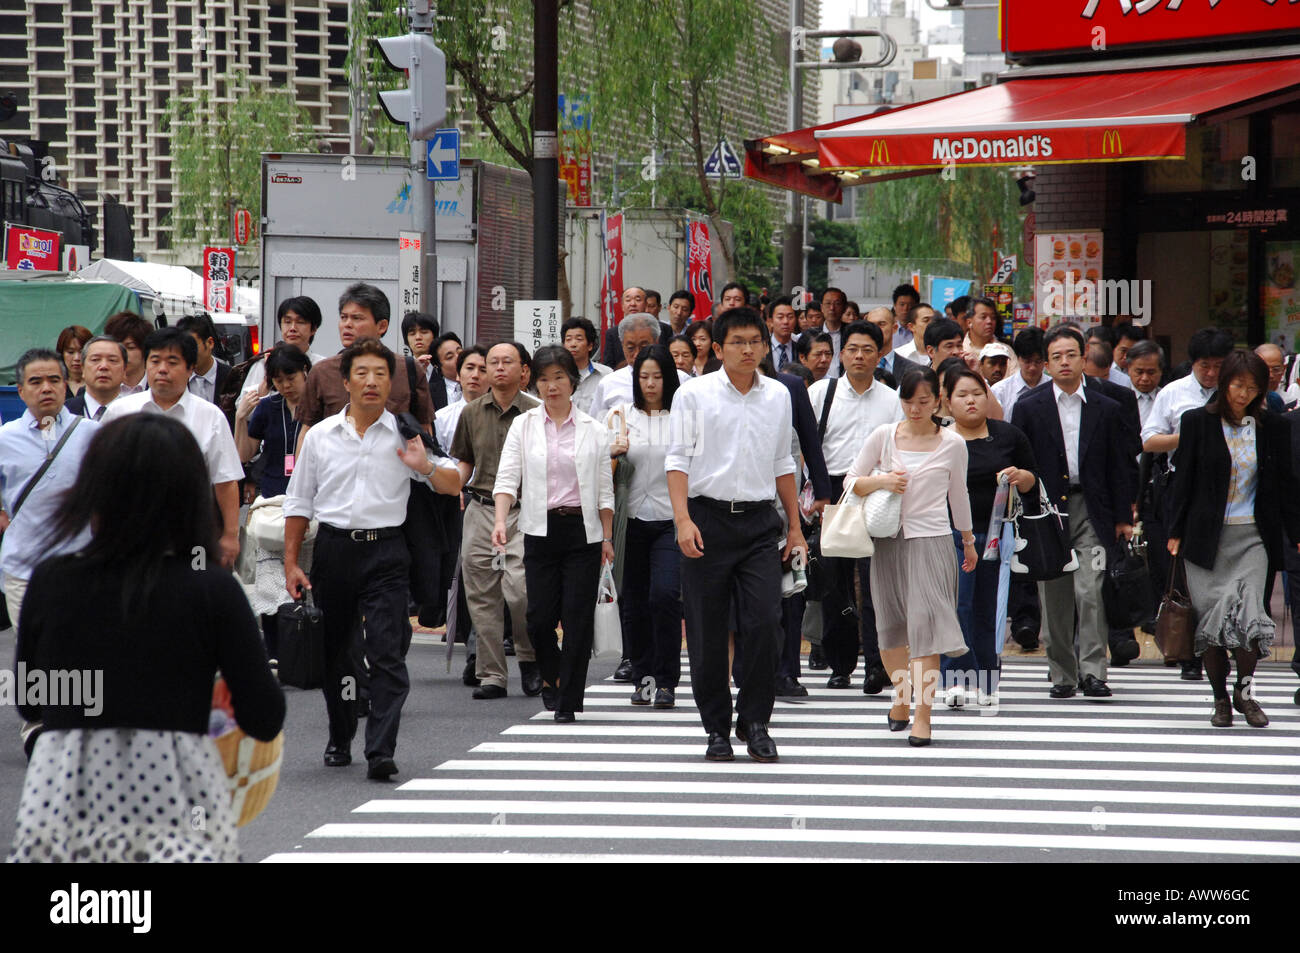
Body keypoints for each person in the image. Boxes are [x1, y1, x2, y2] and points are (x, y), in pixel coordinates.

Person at [8, 414, 285, 862]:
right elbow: (263, 715)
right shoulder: (212, 589)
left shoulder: (53, 580)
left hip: (64, 794)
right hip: (178, 791)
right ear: (189, 496)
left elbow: (31, 703)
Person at [284, 338, 460, 779]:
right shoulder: (322, 436)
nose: (371, 382)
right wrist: (291, 563)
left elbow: (453, 484)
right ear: (345, 381)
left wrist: (424, 466)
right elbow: (299, 502)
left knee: (387, 654)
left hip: (387, 552)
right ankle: (340, 736)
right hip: (334, 551)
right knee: (337, 655)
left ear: (391, 384)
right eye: (361, 373)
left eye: (381, 374)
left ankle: (380, 749)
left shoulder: (406, 436)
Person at [666, 307, 806, 763]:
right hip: (706, 521)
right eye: (737, 342)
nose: (747, 350)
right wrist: (683, 520)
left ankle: (756, 720)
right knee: (706, 633)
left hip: (759, 523)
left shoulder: (779, 396)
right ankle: (717, 729)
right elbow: (677, 460)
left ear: (765, 347)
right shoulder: (695, 395)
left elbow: (784, 463)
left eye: (755, 342)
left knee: (766, 622)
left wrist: (796, 528)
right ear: (718, 348)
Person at [1167, 350, 1300, 728]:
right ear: (1224, 382)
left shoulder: (1273, 426)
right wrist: (1174, 531)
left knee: (1250, 620)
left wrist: (1296, 532)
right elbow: (1184, 480)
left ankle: (1245, 691)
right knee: (1212, 625)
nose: (1243, 394)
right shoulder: (1196, 422)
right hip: (1205, 539)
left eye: (1253, 388)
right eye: (1238, 385)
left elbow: (1286, 484)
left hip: (1254, 536)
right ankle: (1220, 699)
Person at [846, 367, 977, 746]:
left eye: (923, 401)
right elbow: (851, 481)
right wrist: (883, 481)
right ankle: (901, 697)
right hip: (887, 540)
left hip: (932, 541)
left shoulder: (953, 444)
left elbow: (959, 496)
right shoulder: (883, 436)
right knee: (889, 629)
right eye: (907, 401)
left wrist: (967, 540)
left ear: (938, 400)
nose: (915, 409)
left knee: (926, 629)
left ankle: (924, 716)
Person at [1012, 325, 1136, 700]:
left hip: (1093, 509)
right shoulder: (1029, 407)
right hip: (1047, 512)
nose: (1063, 362)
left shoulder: (1107, 407)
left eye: (1071, 355)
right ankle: (1062, 674)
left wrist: (1124, 518)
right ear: (1046, 365)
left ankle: (1094, 672)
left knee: (1090, 589)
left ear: (1085, 358)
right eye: (1056, 357)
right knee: (1054, 596)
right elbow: (1020, 461)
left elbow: (1122, 465)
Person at [493, 346, 614, 722]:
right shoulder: (524, 425)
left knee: (577, 618)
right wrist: (500, 520)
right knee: (539, 618)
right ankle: (551, 675)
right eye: (544, 379)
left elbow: (605, 490)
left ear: (573, 382)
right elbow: (507, 476)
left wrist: (607, 538)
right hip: (540, 529)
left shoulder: (594, 430)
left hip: (583, 531)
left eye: (559, 377)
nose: (551, 386)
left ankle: (568, 699)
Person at [0, 348, 100, 758]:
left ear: (67, 384)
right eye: (36, 382)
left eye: (54, 380)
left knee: (81, 643)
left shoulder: (89, 433)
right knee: (37, 646)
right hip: (24, 568)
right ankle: (39, 722)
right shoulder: (5, 439)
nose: (46, 389)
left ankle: (79, 721)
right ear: (20, 390)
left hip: (82, 565)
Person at [807, 321, 902, 694]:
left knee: (877, 582)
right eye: (852, 349)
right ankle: (841, 664)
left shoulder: (892, 399)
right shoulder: (821, 393)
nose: (860, 356)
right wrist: (815, 494)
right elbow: (806, 446)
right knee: (836, 583)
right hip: (833, 491)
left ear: (879, 355)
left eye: (867, 349)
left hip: (877, 493)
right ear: (841, 353)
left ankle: (877, 666)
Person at [102, 327, 245, 569]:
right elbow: (101, 477)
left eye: (172, 362)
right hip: (132, 533)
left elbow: (226, 481)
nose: (162, 369)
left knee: (193, 595)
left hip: (194, 535)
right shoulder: (120, 412)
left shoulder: (210, 416)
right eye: (155, 361)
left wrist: (230, 535)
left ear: (190, 369)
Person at [450, 341, 542, 698]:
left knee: (520, 592)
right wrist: (443, 481)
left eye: (508, 362)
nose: (499, 368)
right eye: (493, 363)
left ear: (524, 370)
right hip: (480, 508)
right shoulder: (471, 413)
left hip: (525, 511)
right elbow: (464, 464)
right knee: (482, 595)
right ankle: (492, 675)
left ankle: (530, 658)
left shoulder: (537, 412)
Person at [1142, 327, 1234, 680]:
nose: (1211, 374)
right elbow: (1149, 441)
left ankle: (1220, 643)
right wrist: (1191, 437)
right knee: (1184, 570)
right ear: (1192, 363)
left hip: (1230, 490)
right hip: (1183, 486)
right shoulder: (1173, 393)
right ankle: (1190, 652)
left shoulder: (1236, 391)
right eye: (1204, 366)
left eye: (1218, 366)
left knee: (1221, 569)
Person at [944, 365, 1038, 706]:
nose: (971, 401)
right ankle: (955, 679)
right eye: (962, 395)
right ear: (947, 401)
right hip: (950, 534)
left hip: (997, 534)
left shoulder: (1009, 436)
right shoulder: (941, 439)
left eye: (977, 393)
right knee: (958, 605)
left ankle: (986, 681)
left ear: (988, 397)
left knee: (989, 608)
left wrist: (1020, 476)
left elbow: (1033, 481)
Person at [608, 346, 684, 709]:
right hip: (631, 520)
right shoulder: (620, 415)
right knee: (634, 602)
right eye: (644, 377)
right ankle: (645, 678)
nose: (650, 384)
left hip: (672, 519)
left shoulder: (683, 416)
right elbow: (595, 466)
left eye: (657, 376)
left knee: (665, 596)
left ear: (668, 378)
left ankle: (668, 679)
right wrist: (611, 453)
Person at [234, 345, 313, 661]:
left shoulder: (322, 408)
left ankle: (304, 651)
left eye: (290, 376)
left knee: (305, 576)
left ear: (305, 370)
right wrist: (241, 418)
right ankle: (275, 652)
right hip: (271, 503)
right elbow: (243, 454)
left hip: (309, 502)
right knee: (265, 582)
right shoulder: (267, 407)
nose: (285, 385)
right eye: (277, 379)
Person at [297, 283, 434, 437]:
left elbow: (424, 431)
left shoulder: (408, 369)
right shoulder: (322, 372)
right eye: (343, 317)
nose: (347, 324)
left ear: (381, 326)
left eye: (357, 318)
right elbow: (307, 432)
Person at [590, 313, 692, 416]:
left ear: (656, 342)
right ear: (622, 345)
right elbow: (597, 425)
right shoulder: (608, 384)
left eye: (644, 347)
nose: (637, 354)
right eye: (631, 348)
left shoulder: (683, 380)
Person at [240, 296, 329, 402]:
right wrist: (266, 382)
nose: (292, 328)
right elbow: (241, 406)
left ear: (314, 329)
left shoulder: (323, 366)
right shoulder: (264, 364)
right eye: (287, 322)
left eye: (300, 322)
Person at [434, 345, 489, 457]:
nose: (475, 375)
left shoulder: (500, 416)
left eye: (483, 370)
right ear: (458, 375)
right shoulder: (441, 418)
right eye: (469, 368)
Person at [177, 313, 232, 407]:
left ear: (210, 343)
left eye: (192, 347)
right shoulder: (176, 378)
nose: (188, 353)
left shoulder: (231, 376)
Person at [65, 335, 126, 420]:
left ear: (124, 370)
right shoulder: (62, 412)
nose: (104, 366)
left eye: (112, 360)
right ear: (83, 368)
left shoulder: (138, 412)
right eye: (95, 360)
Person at [992, 328, 1046, 421]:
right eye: (1027, 361)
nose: (1032, 367)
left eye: (1038, 361)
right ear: (1018, 358)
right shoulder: (1000, 391)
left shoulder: (1055, 387)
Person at [562, 316, 612, 415]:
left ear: (590, 345)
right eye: (568, 339)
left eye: (578, 339)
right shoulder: (557, 375)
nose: (573, 344)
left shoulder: (606, 375)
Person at [866, 306, 922, 386]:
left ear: (895, 328)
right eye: (871, 325)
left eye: (881, 324)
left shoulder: (913, 370)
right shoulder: (857, 366)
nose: (876, 329)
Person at [104, 310, 152, 396]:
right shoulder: (99, 389)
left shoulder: (159, 387)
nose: (122, 353)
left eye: (130, 347)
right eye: (117, 347)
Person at [601, 285, 648, 367]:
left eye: (638, 300)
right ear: (622, 306)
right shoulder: (612, 333)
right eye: (628, 300)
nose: (633, 304)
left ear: (646, 305)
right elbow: (608, 365)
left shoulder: (660, 329)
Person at [55, 325, 91, 399]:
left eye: (81, 352)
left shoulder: (98, 383)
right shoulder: (55, 384)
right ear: (62, 353)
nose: (77, 358)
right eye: (70, 352)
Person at [820, 287, 848, 376]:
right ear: (821, 307)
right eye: (828, 303)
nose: (832, 308)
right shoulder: (814, 334)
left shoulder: (851, 333)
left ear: (844, 308)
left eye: (837, 304)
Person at [767, 295, 799, 372]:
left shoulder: (800, 348)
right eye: (780, 317)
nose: (785, 322)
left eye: (790, 317)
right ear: (771, 321)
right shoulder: (762, 348)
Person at [1255, 343, 1289, 412]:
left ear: (1284, 369)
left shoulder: (1290, 400)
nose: (1270, 375)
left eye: (1276, 369)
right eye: (1264, 369)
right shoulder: (1245, 399)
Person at [434, 332, 464, 406]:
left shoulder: (483, 386)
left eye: (460, 352)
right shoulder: (429, 393)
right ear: (438, 366)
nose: (458, 357)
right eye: (450, 357)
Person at [891, 284, 920, 350]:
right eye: (902, 304)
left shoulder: (922, 333)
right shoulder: (889, 333)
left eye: (910, 305)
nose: (905, 309)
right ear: (895, 306)